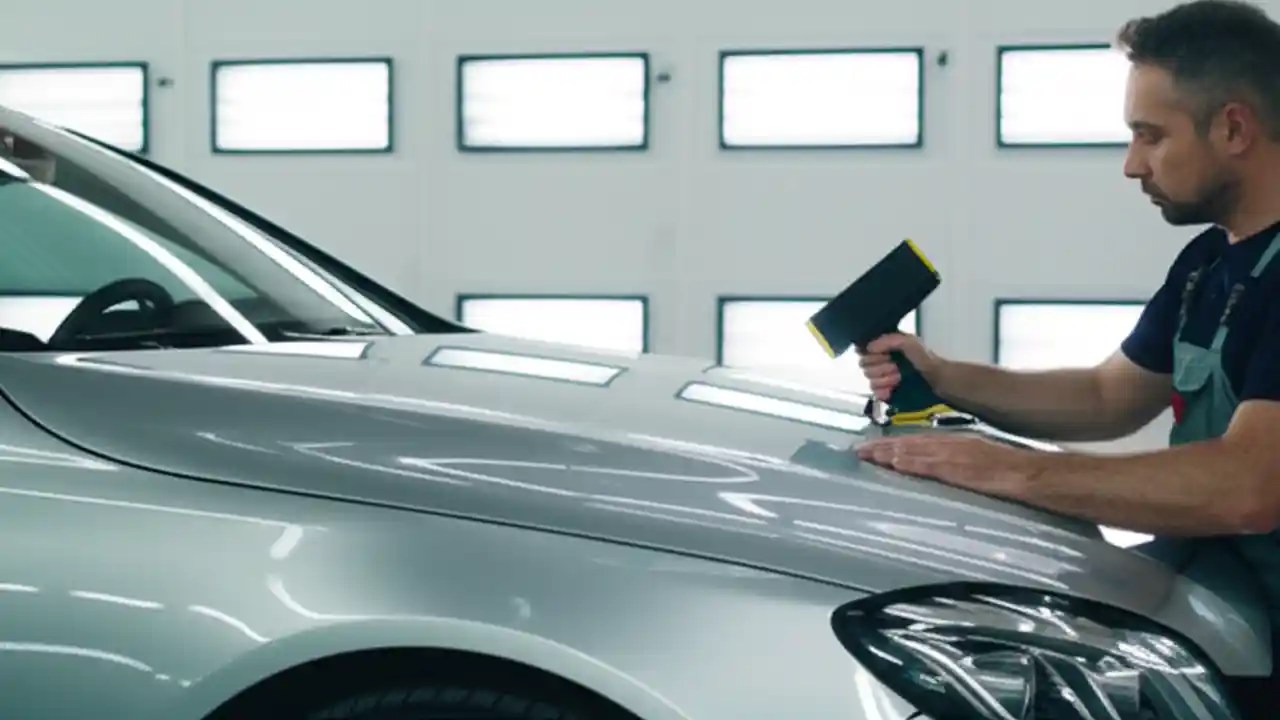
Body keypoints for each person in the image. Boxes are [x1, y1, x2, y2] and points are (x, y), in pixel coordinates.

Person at [855, 0, 1280, 715]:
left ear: (1234, 127)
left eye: (1150, 135)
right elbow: (1106, 397)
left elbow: (1249, 484)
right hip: (1218, 602)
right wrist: (943, 374)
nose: (1130, 164)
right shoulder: (1210, 264)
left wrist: (1013, 470)